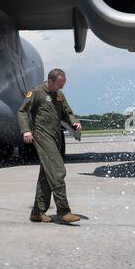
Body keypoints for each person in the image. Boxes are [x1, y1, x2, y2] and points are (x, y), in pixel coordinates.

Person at [18, 68, 83, 224]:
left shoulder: (59, 95)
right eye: (59, 84)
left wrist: (74, 121)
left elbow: (67, 111)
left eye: (63, 84)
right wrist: (26, 131)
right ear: (51, 80)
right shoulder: (36, 92)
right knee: (58, 171)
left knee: (47, 175)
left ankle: (37, 212)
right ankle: (64, 211)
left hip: (56, 138)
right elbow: (22, 111)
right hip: (42, 136)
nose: (62, 87)